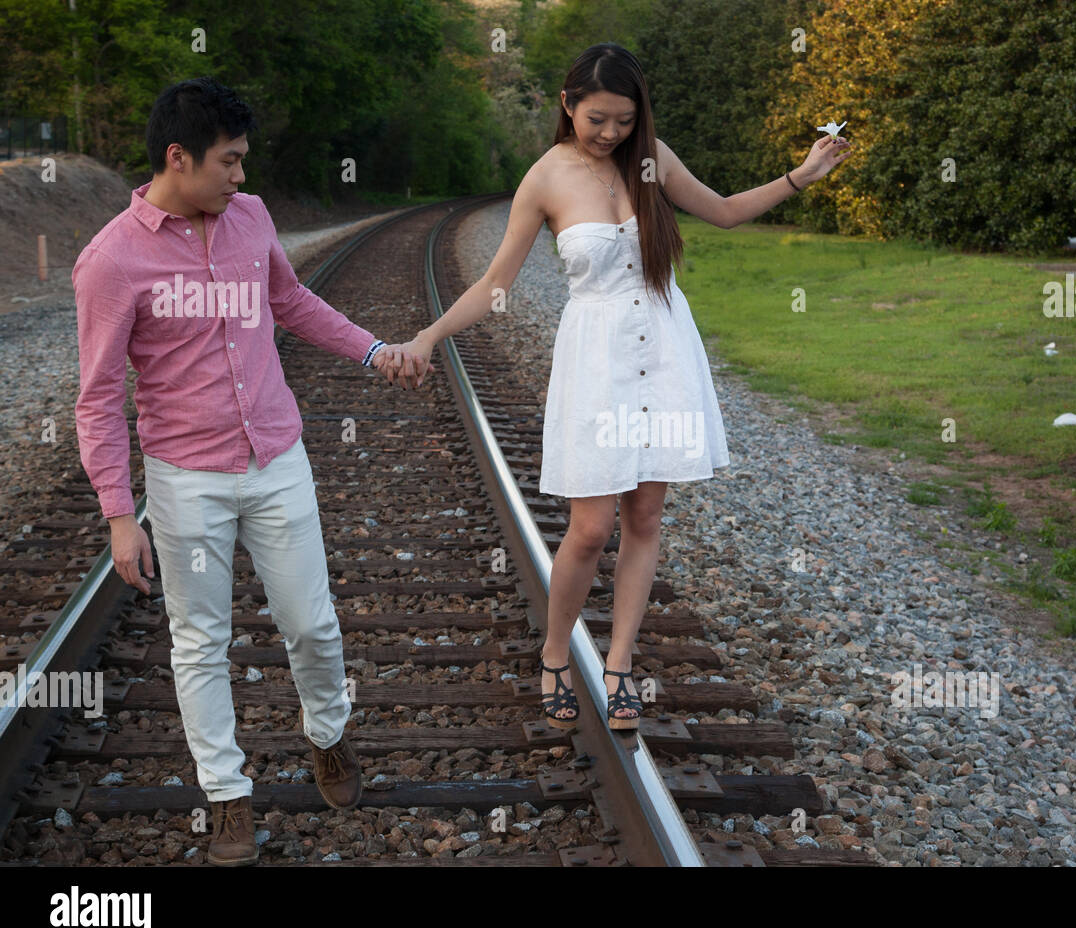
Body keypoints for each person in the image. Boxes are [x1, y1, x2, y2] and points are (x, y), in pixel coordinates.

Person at [382, 42, 851, 732]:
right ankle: (553, 653)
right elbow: (496, 284)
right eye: (597, 118)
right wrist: (428, 336)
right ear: (568, 104)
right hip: (596, 359)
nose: (610, 134)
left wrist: (801, 175)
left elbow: (721, 211)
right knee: (590, 527)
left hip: (664, 351)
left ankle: (621, 665)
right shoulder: (545, 177)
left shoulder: (651, 158)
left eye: (624, 121)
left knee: (645, 518)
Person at [72, 77, 421, 866]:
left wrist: (373, 349)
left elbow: (291, 302)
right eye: (229, 163)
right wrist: (119, 514)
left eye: (243, 163)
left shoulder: (251, 218)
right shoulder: (111, 262)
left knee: (312, 623)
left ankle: (327, 737)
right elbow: (96, 399)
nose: (240, 177)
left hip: (277, 458)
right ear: (177, 157)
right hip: (185, 481)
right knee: (200, 640)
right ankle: (226, 794)